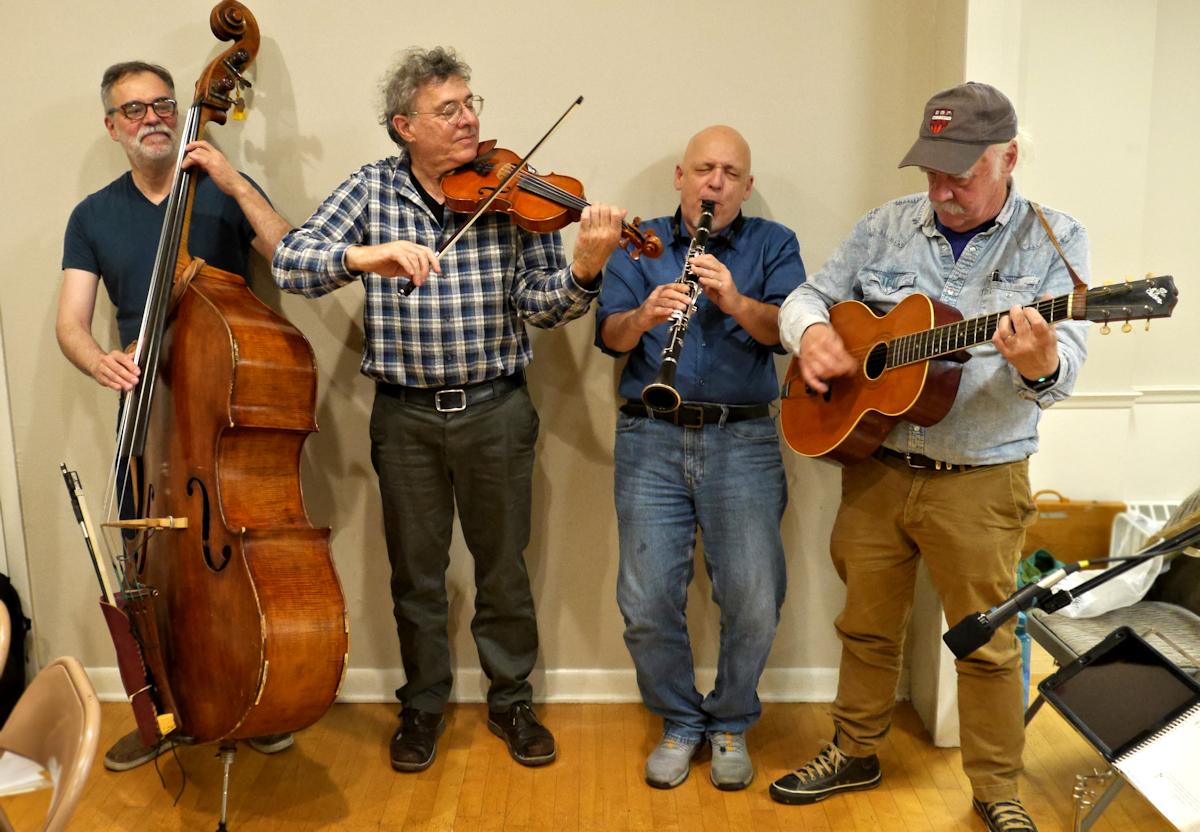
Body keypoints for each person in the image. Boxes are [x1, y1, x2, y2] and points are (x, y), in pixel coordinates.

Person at [272, 46, 625, 773]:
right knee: (416, 574)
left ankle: (512, 701)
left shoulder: (511, 190)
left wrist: (585, 269)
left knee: (503, 569)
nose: (468, 121)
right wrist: (366, 258)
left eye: (471, 105)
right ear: (405, 126)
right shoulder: (371, 190)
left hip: (496, 409)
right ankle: (424, 706)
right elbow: (290, 260)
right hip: (403, 417)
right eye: (448, 110)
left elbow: (539, 304)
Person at [768, 83, 1089, 832]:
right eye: (932, 173)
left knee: (986, 646)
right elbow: (807, 297)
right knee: (866, 627)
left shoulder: (1054, 240)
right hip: (876, 465)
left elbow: (1060, 375)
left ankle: (998, 789)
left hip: (980, 479)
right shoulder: (884, 227)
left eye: (962, 174)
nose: (943, 191)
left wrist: (1037, 361)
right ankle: (855, 748)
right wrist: (811, 336)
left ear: (1008, 158)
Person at [57, 60, 293, 770]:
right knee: (146, 571)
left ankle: (248, 701)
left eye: (162, 104)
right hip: (149, 421)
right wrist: (99, 359)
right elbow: (72, 322)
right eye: (133, 110)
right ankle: (160, 711)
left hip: (223, 417)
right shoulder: (93, 215)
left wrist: (234, 182)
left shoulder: (220, 192)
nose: (152, 117)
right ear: (112, 128)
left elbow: (290, 256)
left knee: (238, 571)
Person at [594, 125, 805, 790]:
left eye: (731, 172)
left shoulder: (774, 244)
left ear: (746, 185)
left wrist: (734, 300)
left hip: (742, 438)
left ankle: (731, 721)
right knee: (647, 598)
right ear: (681, 177)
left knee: (752, 594)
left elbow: (786, 333)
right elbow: (608, 335)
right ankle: (681, 721)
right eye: (705, 169)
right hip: (650, 437)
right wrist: (647, 317)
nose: (716, 182)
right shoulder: (641, 242)